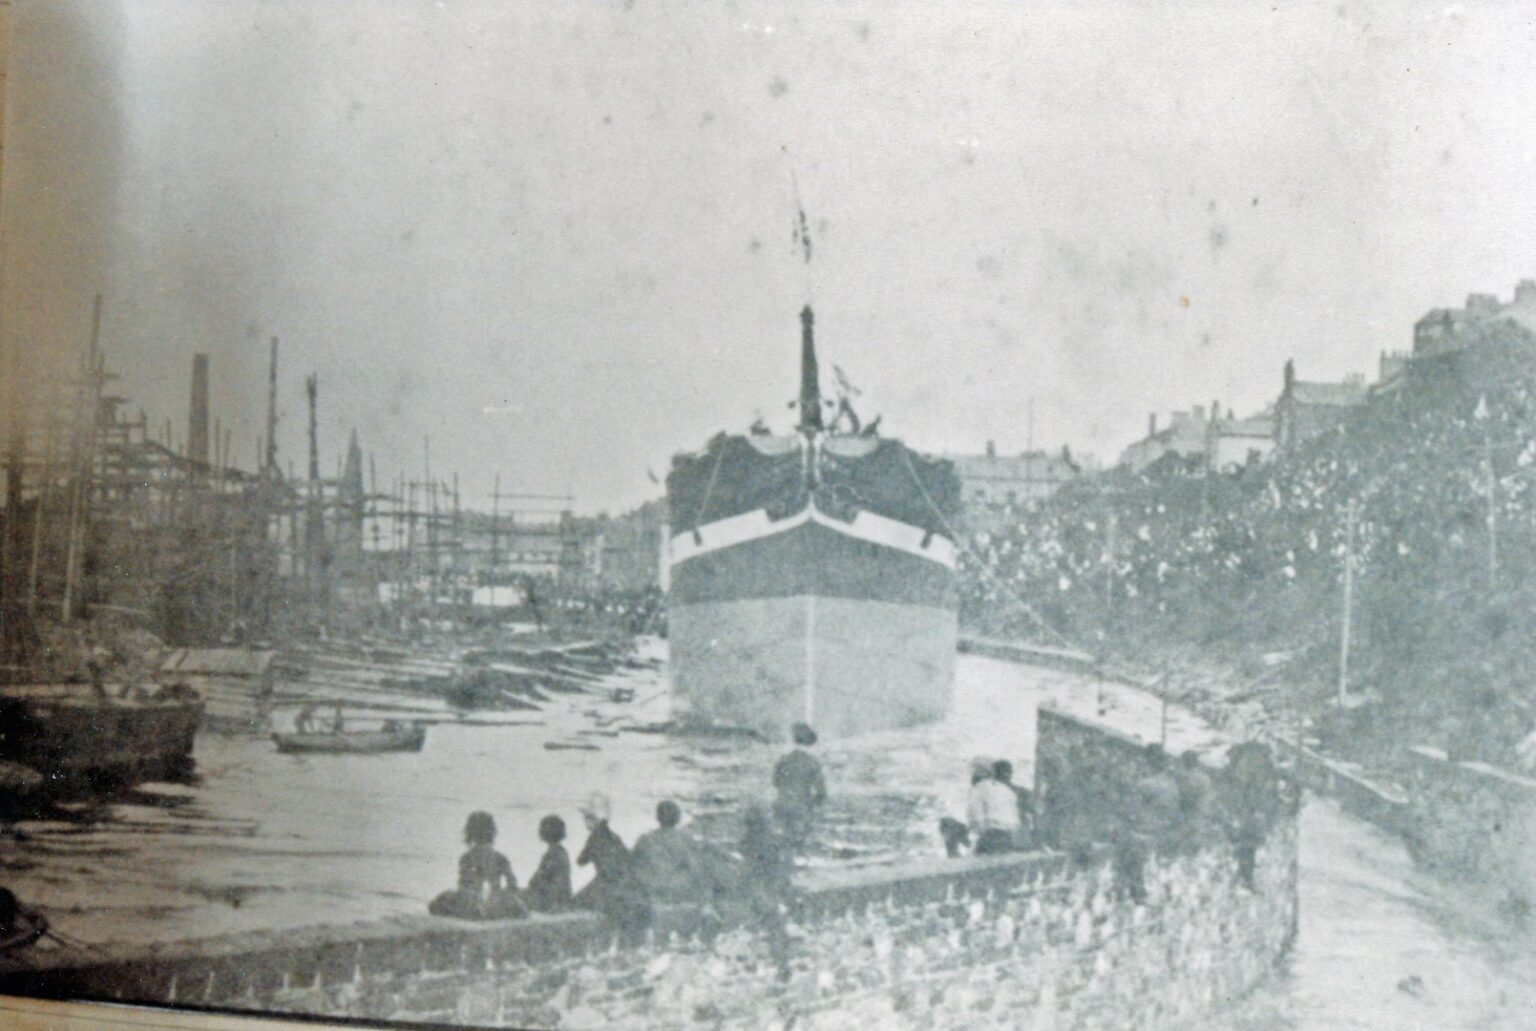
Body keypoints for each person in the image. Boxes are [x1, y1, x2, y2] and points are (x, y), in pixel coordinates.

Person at [574, 793, 651, 933]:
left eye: (586, 818)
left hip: (606, 885)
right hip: (625, 884)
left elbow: (581, 861)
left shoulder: (594, 837)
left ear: (593, 819)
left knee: (575, 902)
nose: (585, 822)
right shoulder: (615, 837)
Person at [428, 811, 524, 920]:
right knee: (517, 906)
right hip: (494, 903)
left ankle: (477, 912)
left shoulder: (467, 857)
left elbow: (463, 884)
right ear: (493, 832)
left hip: (472, 903)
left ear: (469, 832)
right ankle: (485, 912)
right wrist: (505, 897)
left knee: (440, 902)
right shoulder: (500, 857)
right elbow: (512, 884)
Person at [632, 800, 700, 905]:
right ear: (678, 818)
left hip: (651, 890)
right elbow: (694, 868)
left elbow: (633, 865)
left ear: (658, 817)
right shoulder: (685, 839)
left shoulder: (645, 839)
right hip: (679, 890)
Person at [772, 723, 826, 854]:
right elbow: (821, 792)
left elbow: (775, 782)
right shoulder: (813, 763)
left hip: (782, 804)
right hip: (802, 806)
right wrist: (814, 804)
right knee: (799, 842)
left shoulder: (783, 760)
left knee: (783, 839)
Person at [967, 757, 1021, 854]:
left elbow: (975, 815)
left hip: (990, 836)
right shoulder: (1006, 790)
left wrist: (980, 832)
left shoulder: (977, 789)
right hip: (1008, 837)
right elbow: (1015, 819)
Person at [524, 814, 574, 913]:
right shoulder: (561, 851)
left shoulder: (551, 854)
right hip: (562, 896)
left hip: (551, 899)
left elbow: (537, 878)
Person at [1173, 749, 1214, 850]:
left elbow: (1181, 794)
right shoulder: (1205, 778)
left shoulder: (1180, 775)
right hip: (1197, 812)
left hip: (1184, 811)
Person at [993, 759, 1035, 850]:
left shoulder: (1022, 792)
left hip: (1010, 833)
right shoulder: (1023, 792)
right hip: (1018, 833)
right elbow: (1033, 810)